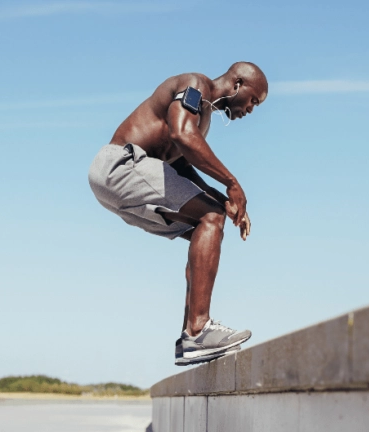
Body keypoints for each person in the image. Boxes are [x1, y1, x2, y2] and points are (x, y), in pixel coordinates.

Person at [88, 62, 268, 365]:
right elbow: (183, 134)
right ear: (238, 84)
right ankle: (199, 330)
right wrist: (232, 184)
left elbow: (179, 166)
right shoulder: (196, 85)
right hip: (122, 165)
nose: (251, 109)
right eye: (254, 99)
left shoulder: (204, 114)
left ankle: (190, 338)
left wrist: (221, 198)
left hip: (122, 177)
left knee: (206, 224)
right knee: (210, 218)